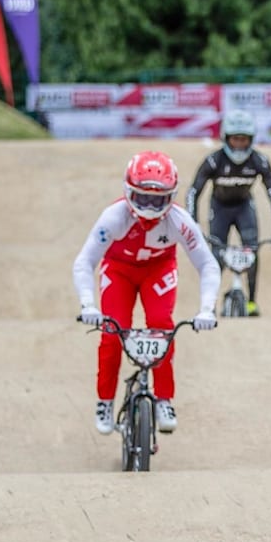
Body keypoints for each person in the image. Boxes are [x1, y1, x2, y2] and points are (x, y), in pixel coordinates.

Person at [73, 151, 221, 435]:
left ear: (172, 196)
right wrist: (88, 304)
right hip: (119, 270)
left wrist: (207, 308)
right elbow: (85, 261)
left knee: (161, 326)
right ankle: (105, 400)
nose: (151, 207)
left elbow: (207, 264)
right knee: (113, 332)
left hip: (158, 269)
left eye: (158, 200)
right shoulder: (114, 217)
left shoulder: (180, 220)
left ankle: (164, 398)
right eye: (143, 198)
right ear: (129, 192)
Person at [186, 110, 271, 317]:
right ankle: (210, 305)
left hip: (244, 208)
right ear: (226, 138)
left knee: (252, 252)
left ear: (251, 139)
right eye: (235, 139)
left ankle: (251, 302)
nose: (240, 144)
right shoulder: (214, 162)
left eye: (244, 139)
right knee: (215, 257)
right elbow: (193, 192)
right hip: (219, 208)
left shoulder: (259, 161)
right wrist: (193, 223)